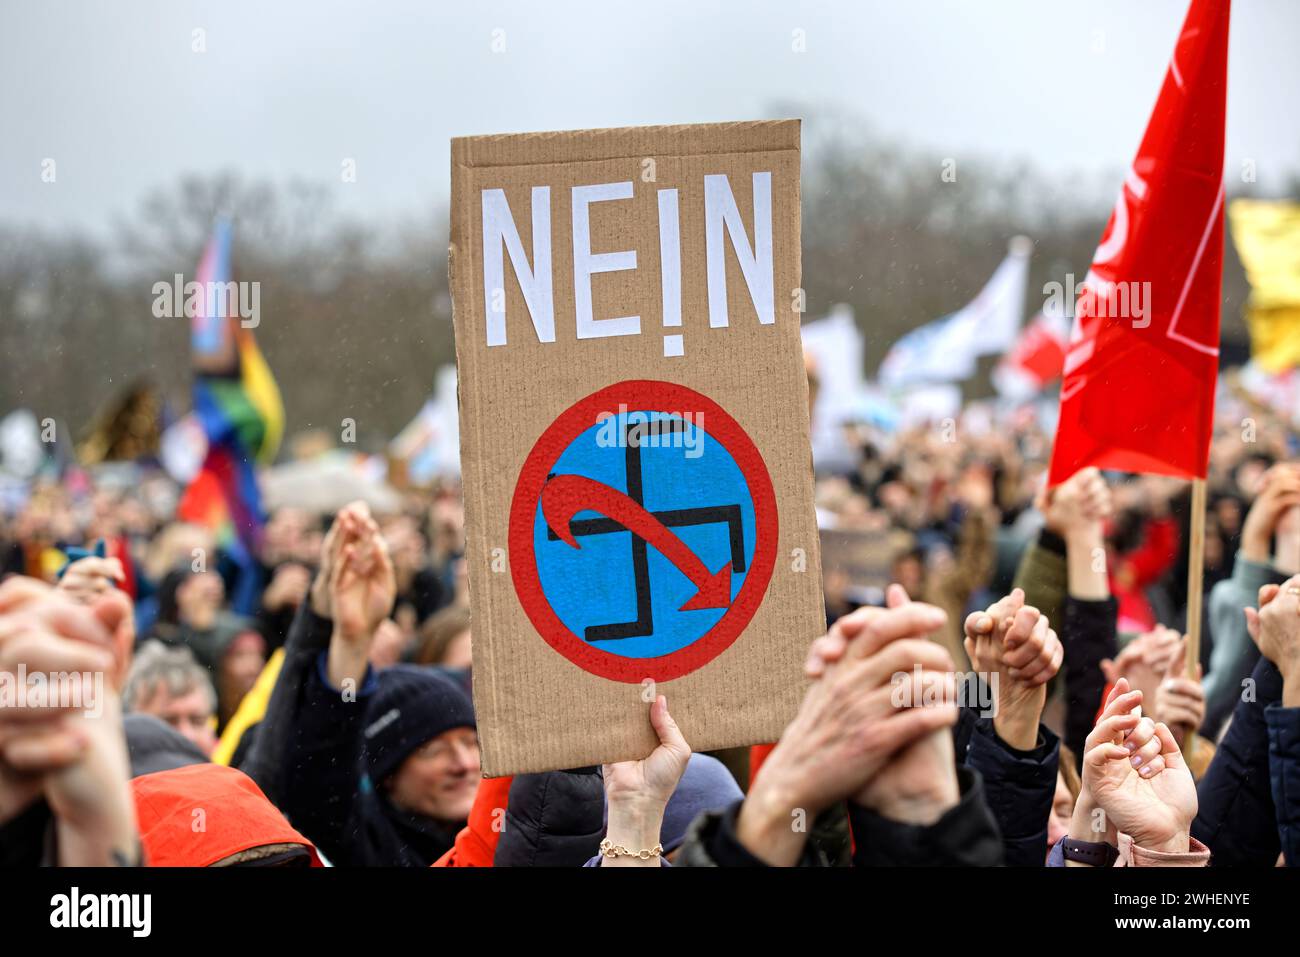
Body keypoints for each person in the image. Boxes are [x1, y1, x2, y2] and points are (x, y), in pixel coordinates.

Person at [247, 501, 480, 866]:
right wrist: (353, 640)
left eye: (471, 742)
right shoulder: (373, 850)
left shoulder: (509, 835)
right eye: (434, 750)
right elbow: (323, 775)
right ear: (388, 775)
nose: (464, 763)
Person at [122, 640, 219, 757]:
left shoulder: (236, 771)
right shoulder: (109, 772)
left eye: (197, 721)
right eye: (168, 723)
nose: (187, 736)